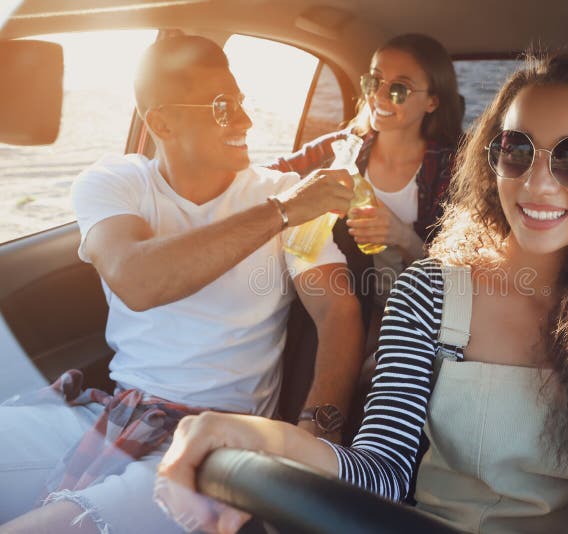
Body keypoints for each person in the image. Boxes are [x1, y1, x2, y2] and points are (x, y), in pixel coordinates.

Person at [155, 51, 568, 533]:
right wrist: (260, 439)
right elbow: (382, 468)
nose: (535, 182)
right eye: (516, 151)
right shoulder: (429, 291)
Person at [0, 35, 363, 534]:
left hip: (219, 445)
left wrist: (317, 433)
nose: (245, 122)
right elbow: (137, 280)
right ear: (161, 123)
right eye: (221, 107)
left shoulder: (280, 192)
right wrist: (280, 213)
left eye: (240, 102)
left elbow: (336, 313)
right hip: (117, 411)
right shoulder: (116, 183)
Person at [267, 33, 462, 355]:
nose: (379, 97)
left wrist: (404, 237)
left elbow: (464, 277)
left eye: (398, 89)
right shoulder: (342, 148)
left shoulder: (455, 168)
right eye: (374, 81)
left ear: (433, 101)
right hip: (344, 308)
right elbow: (265, 177)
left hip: (423, 323)